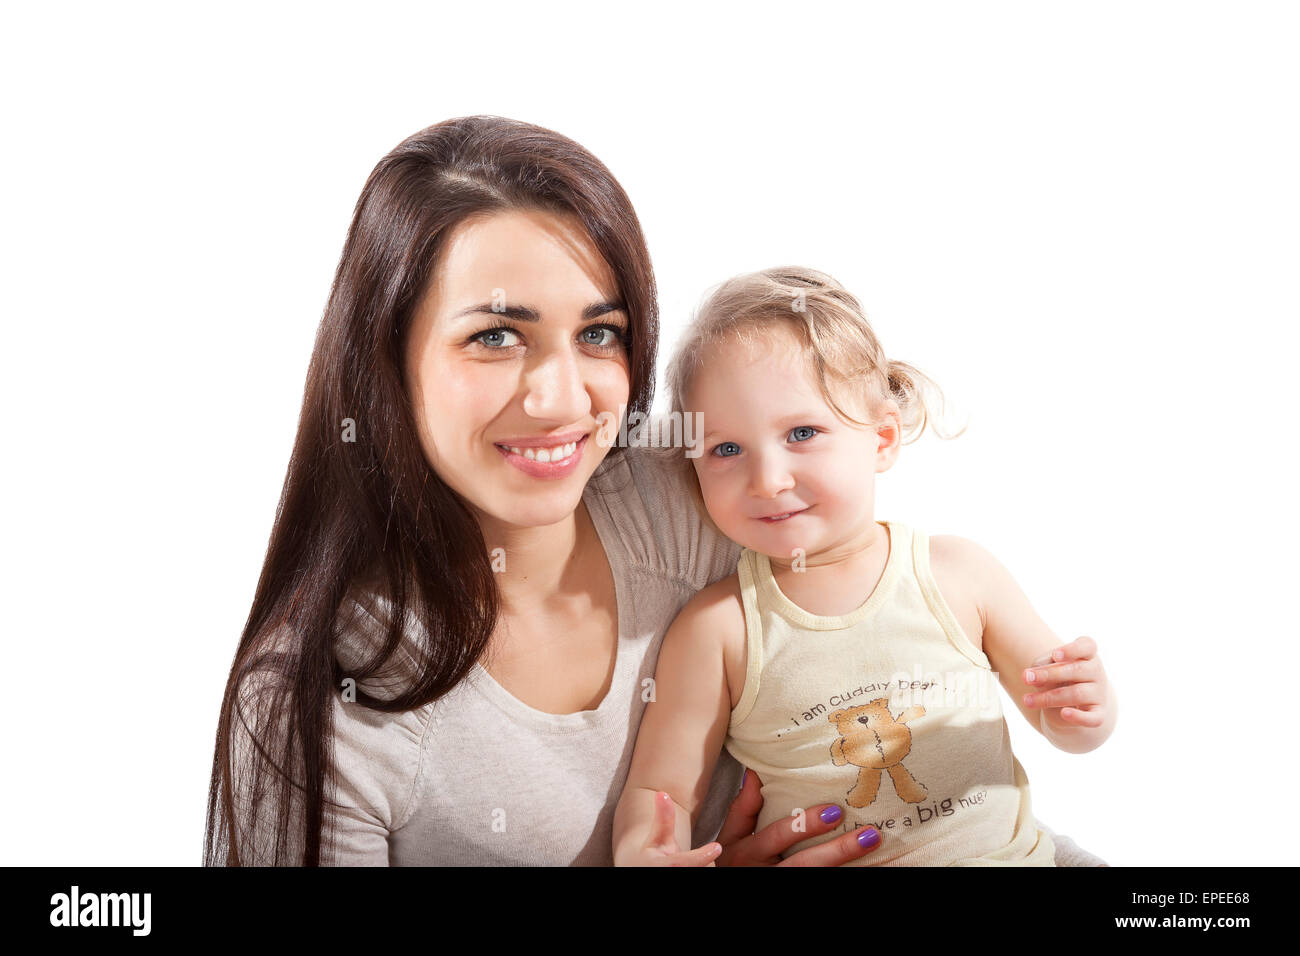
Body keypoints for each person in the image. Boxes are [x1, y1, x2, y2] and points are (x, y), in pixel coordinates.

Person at [203, 115, 1106, 866]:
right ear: (385, 360)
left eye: (599, 334)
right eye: (495, 336)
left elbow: (958, 776)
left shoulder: (699, 503)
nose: (563, 400)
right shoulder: (317, 708)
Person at [612, 268, 1118, 866]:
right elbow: (659, 788)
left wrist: (1086, 708)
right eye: (727, 450)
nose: (769, 481)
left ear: (882, 439)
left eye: (802, 432)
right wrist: (645, 848)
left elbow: (1063, 722)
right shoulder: (719, 628)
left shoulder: (958, 575)